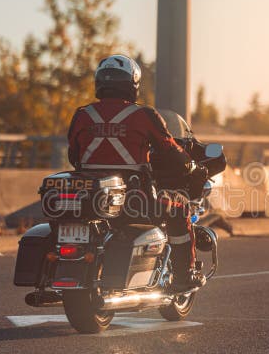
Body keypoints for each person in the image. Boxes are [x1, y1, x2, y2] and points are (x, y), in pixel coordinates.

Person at [67, 54, 203, 290]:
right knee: (180, 209)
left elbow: (74, 157)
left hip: (89, 199)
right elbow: (170, 150)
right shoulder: (143, 116)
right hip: (135, 200)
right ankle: (184, 275)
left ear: (99, 83)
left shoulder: (82, 115)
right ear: (132, 84)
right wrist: (192, 166)